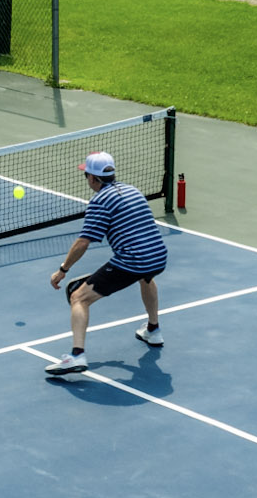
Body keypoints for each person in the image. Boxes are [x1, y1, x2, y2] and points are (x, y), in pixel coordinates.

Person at [45, 151, 168, 376]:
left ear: (93, 179)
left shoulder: (100, 202)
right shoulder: (133, 190)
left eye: (86, 176)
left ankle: (76, 355)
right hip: (158, 256)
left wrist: (62, 270)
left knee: (78, 297)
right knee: (146, 276)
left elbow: (83, 242)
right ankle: (153, 329)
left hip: (133, 260)